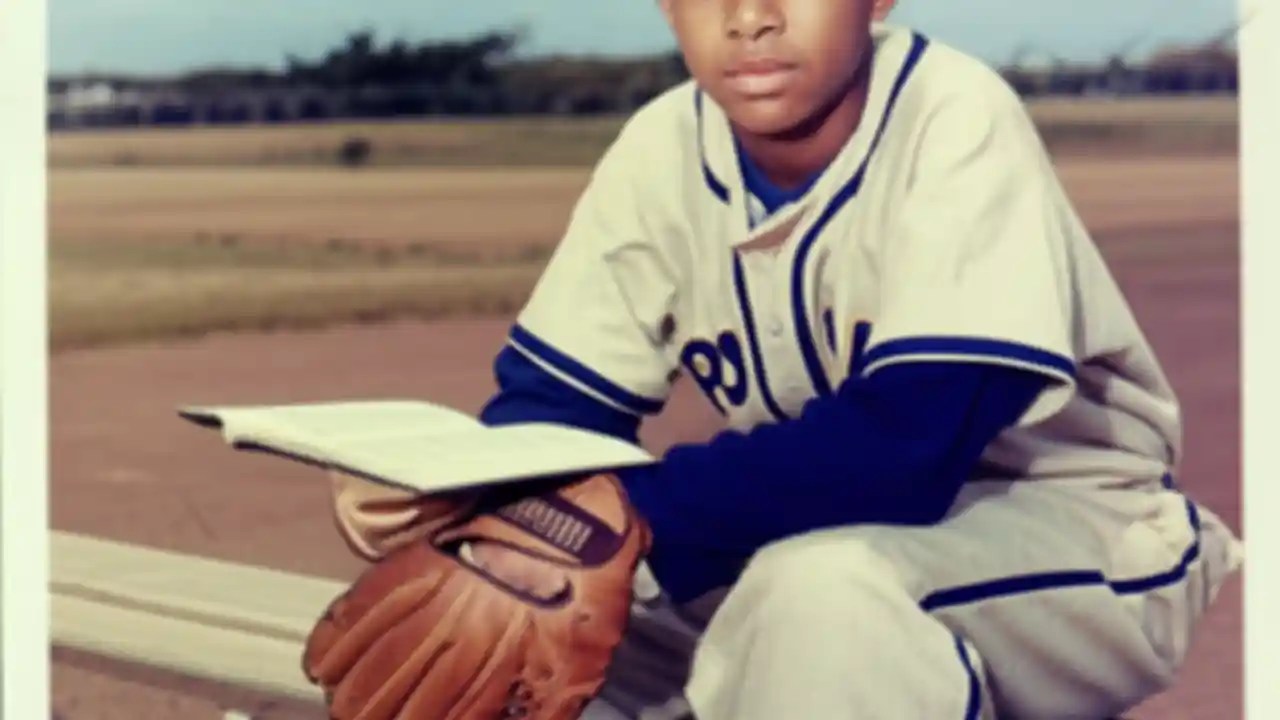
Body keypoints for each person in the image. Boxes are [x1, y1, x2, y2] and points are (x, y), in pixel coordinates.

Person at [384, 1, 1246, 718]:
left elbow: (905, 449)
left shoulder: (951, 112)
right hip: (805, 540)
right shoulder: (660, 147)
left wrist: (598, 529)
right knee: (493, 629)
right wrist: (470, 515)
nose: (750, 18)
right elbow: (549, 414)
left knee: (819, 601)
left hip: (1079, 533)